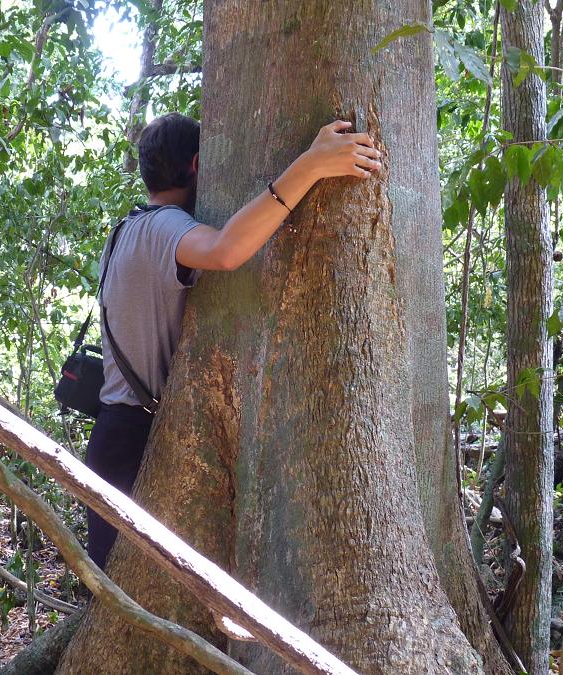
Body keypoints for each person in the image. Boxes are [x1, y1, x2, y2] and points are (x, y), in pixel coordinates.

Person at [85, 112, 382, 570]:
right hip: (132, 440)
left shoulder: (125, 229)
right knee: (125, 589)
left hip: (115, 434)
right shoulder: (162, 228)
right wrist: (311, 165)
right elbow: (226, 250)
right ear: (199, 164)